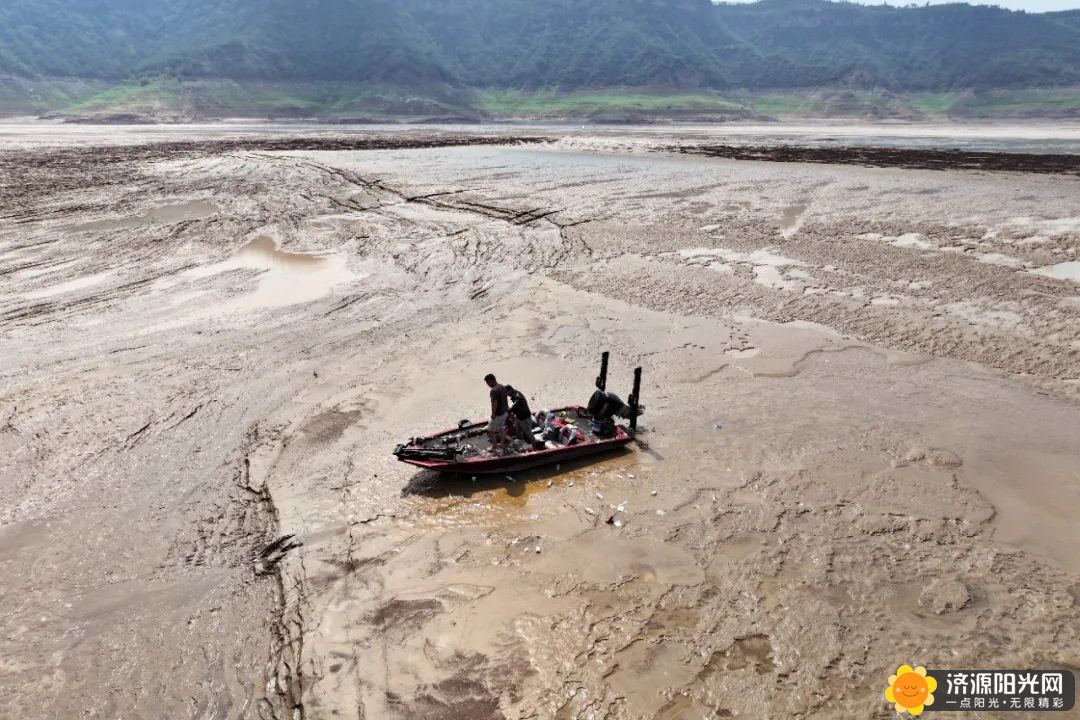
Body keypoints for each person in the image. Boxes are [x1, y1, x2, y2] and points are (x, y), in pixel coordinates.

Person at [505, 385, 542, 449]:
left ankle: (535, 449)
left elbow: (515, 406)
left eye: (507, 393)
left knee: (528, 433)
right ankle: (521, 446)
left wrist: (508, 411)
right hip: (519, 417)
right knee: (518, 432)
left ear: (510, 390)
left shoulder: (518, 396)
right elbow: (516, 408)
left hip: (525, 418)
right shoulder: (514, 395)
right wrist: (513, 414)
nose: (507, 395)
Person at [484, 374, 509, 454]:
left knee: (490, 429)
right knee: (501, 427)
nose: (488, 385)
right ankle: (502, 444)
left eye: (487, 383)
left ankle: (494, 446)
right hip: (505, 411)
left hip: (498, 414)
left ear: (491, 380)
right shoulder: (502, 387)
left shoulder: (493, 391)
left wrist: (493, 413)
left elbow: (494, 403)